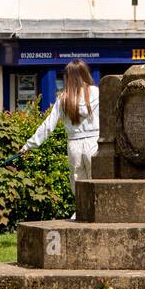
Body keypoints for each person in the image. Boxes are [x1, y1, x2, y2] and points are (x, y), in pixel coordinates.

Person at [21, 61, 99, 216]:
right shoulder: (97, 92)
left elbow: (48, 126)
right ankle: (97, 213)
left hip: (74, 145)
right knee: (96, 182)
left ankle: (82, 213)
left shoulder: (64, 98)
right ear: (85, 73)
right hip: (94, 143)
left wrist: (28, 145)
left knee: (78, 185)